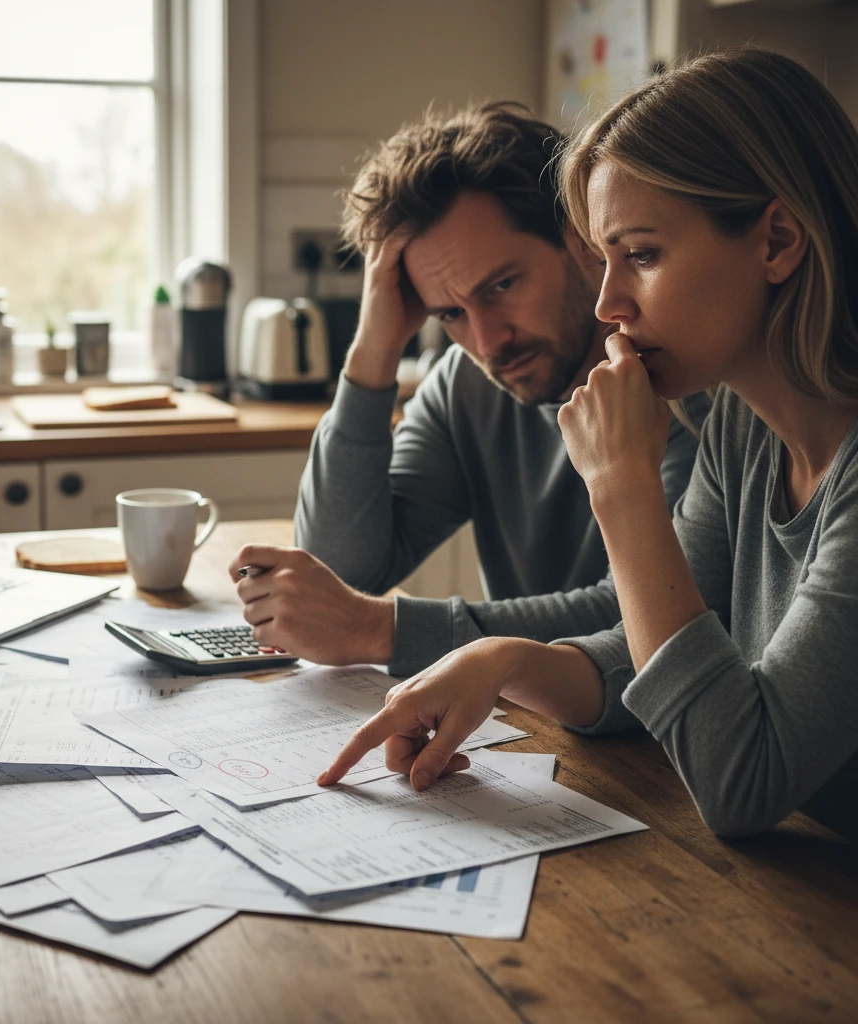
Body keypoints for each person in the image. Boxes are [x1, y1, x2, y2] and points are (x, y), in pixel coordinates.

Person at [316, 47, 858, 842]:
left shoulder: (729, 425)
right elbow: (651, 652)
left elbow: (741, 781)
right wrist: (506, 660)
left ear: (777, 239)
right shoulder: (747, 430)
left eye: (640, 256)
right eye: (605, 260)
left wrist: (623, 487)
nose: (611, 303)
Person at [230, 102, 701, 675]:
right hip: (528, 725)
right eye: (450, 312)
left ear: (581, 242)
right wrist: (372, 352)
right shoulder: (466, 387)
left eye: (502, 284)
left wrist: (382, 629)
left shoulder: (683, 384)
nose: (486, 340)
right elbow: (343, 571)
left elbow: (646, 622)